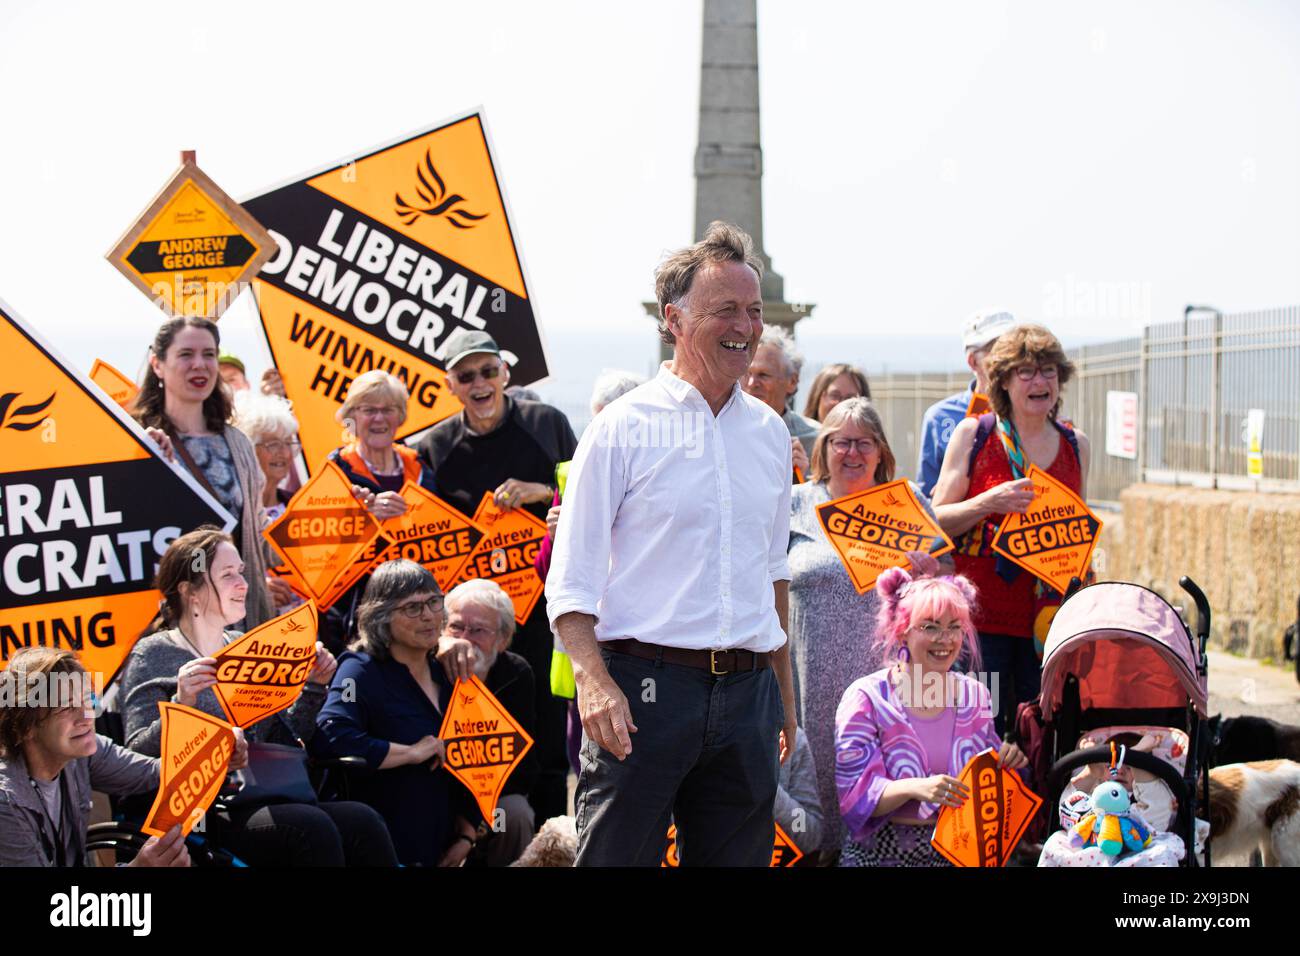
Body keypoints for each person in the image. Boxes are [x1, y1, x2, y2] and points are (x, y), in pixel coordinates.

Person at [546, 221, 797, 866]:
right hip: (641, 696)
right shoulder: (620, 428)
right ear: (674, 319)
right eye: (725, 309)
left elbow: (773, 573)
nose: (746, 326)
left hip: (748, 697)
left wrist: (783, 697)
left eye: (754, 310)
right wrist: (594, 683)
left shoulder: (770, 434)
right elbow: (570, 581)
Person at [118, 527, 398, 867]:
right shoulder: (153, 654)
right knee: (311, 827)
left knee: (363, 820)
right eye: (228, 575)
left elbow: (286, 738)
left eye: (242, 572)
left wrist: (313, 686)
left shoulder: (243, 644)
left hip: (261, 790)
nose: (243, 584)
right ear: (190, 591)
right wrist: (182, 706)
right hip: (203, 811)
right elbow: (136, 754)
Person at [416, 328, 577, 823]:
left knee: (546, 733)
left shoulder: (546, 423)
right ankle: (476, 834)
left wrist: (540, 491)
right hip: (471, 619)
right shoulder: (436, 445)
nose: (480, 383)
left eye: (488, 371)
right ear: (450, 385)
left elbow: (587, 492)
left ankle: (547, 841)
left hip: (540, 607)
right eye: (467, 376)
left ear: (505, 372)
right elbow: (422, 531)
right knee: (474, 730)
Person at [787, 397, 948, 859]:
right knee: (814, 774)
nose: (852, 453)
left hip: (884, 683)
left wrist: (926, 574)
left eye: (864, 443)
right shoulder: (795, 502)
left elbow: (942, 592)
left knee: (877, 776)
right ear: (823, 448)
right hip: (807, 677)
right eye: (841, 442)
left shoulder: (905, 503)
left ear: (881, 452)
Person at [931, 324, 1091, 732]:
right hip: (983, 625)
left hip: (1048, 626)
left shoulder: (1076, 445)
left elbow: (1079, 533)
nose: (1040, 381)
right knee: (983, 730)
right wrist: (990, 502)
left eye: (1049, 371)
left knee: (1042, 734)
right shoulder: (975, 434)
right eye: (1026, 372)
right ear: (1003, 380)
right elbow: (936, 519)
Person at [835, 566, 1027, 866]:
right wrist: (917, 787)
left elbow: (987, 786)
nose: (945, 639)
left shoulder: (976, 695)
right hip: (880, 852)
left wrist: (1009, 762)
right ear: (902, 630)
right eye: (930, 627)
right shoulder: (867, 698)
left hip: (961, 849)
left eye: (954, 627)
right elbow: (853, 794)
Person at [313, 561, 484, 867]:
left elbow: (477, 756)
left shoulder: (446, 670)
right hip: (383, 845)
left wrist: (467, 835)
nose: (428, 615)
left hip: (446, 845)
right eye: (412, 608)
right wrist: (410, 753)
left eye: (434, 602)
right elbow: (331, 736)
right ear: (381, 617)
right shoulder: (358, 670)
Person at [131, 316, 274, 628]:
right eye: (186, 354)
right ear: (157, 365)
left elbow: (258, 533)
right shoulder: (138, 441)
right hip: (171, 622)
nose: (200, 364)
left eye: (209, 354)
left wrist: (349, 519)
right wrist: (141, 458)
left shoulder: (238, 444)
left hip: (236, 621)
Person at [0, 646, 193, 867]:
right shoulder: (6, 804)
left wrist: (216, 750)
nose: (86, 716)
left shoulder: (81, 751)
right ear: (26, 726)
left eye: (88, 699)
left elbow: (155, 773)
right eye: (66, 707)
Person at [439, 579, 539, 864]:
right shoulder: (429, 664)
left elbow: (520, 770)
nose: (464, 639)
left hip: (490, 800)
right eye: (456, 627)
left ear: (502, 639)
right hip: (435, 792)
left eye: (478, 630)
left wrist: (471, 827)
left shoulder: (516, 673)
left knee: (514, 814)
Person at [915, 308, 1018, 497]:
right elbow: (927, 497)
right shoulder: (940, 417)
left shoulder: (1034, 413)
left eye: (1015, 349)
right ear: (973, 361)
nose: (1010, 359)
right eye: (998, 350)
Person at [742, 324, 816, 476]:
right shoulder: (721, 430)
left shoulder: (816, 442)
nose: (751, 383)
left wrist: (799, 478)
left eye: (763, 375)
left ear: (792, 382)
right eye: (747, 374)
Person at [802, 363, 871, 422]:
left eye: (850, 398)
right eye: (835, 395)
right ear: (817, 398)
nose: (841, 404)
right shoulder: (797, 432)